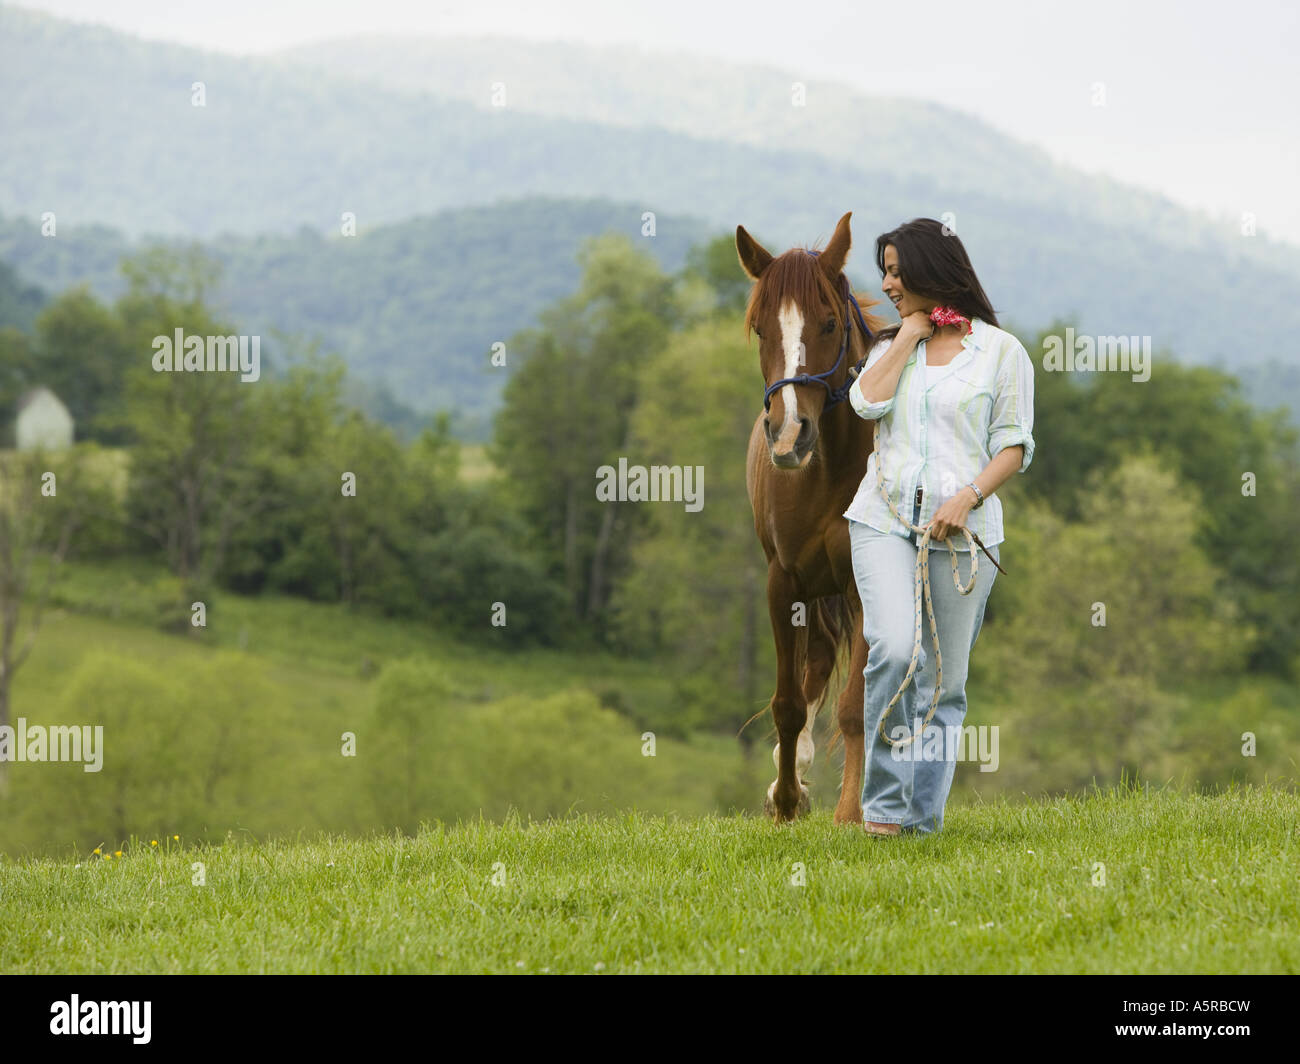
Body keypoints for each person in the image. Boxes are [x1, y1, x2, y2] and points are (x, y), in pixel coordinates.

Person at [845, 217, 1036, 835]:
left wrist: (969, 496)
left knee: (943, 684)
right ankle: (882, 811)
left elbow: (1013, 445)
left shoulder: (1001, 353)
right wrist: (905, 338)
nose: (888, 282)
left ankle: (921, 824)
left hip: (964, 533)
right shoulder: (888, 348)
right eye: (886, 270)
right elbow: (864, 403)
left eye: (898, 271)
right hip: (885, 519)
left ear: (932, 271)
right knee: (896, 649)